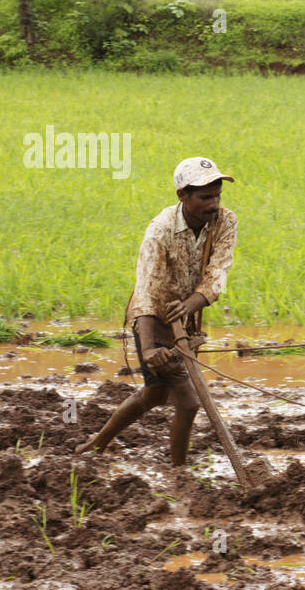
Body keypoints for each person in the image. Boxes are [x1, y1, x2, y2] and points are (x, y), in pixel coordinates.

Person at [75, 157, 239, 466]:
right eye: (205, 197)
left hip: (187, 321)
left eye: (217, 195)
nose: (214, 204)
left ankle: (95, 446)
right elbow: (147, 291)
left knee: (154, 395)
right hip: (153, 320)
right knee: (189, 403)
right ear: (182, 195)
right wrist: (149, 349)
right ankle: (178, 472)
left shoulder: (225, 221)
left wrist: (190, 306)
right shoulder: (160, 231)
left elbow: (217, 274)